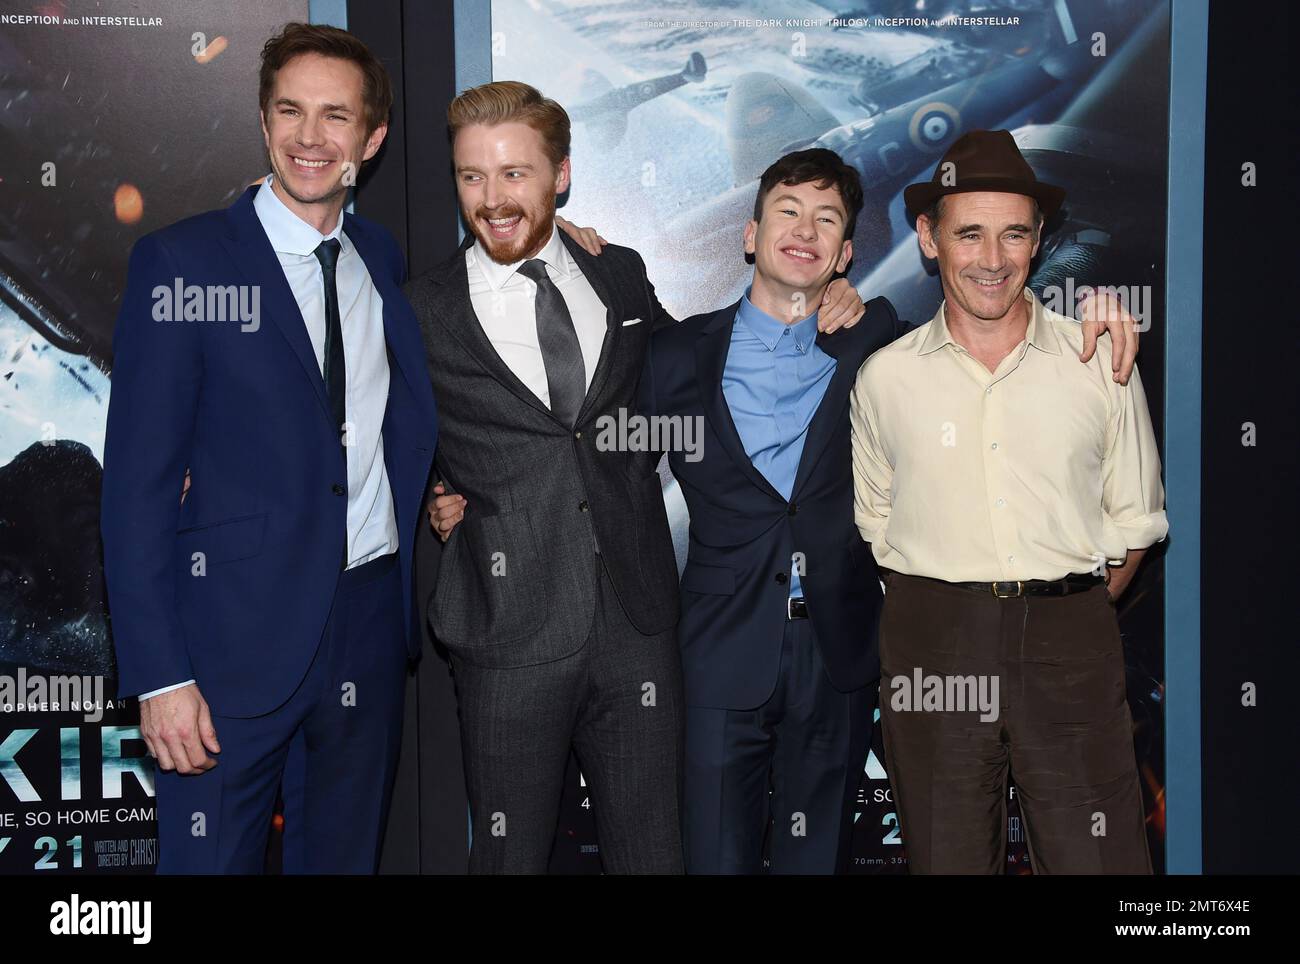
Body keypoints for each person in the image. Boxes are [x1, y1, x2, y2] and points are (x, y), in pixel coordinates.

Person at [407, 80, 866, 874]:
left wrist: (838, 298)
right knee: (509, 858)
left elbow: (688, 372)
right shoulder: (419, 308)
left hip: (641, 629)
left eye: (515, 173)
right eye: (471, 176)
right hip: (508, 634)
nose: (493, 198)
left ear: (563, 175)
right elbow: (386, 441)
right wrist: (438, 497)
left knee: (655, 855)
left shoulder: (616, 274)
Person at [101, 23, 437, 873]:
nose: (309, 138)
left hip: (365, 622)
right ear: (263, 121)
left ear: (373, 137)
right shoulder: (184, 265)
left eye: (334, 116)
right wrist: (160, 676)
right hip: (227, 646)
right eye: (290, 111)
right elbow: (136, 489)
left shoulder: (378, 257)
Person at [850, 129, 1166, 874]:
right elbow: (877, 524)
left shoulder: (1100, 360)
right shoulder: (886, 379)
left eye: (1014, 234)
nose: (991, 259)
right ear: (929, 240)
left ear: (1037, 239)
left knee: (1102, 860)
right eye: (969, 234)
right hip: (933, 644)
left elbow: (1138, 518)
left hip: (1072, 644)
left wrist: (1068, 603)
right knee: (947, 857)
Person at [639, 148, 895, 873]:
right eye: (787, 210)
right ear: (751, 234)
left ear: (843, 253)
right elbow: (603, 469)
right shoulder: (674, 355)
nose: (803, 229)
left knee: (818, 862)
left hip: (838, 654)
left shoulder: (875, 340)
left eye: (825, 219)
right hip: (717, 652)